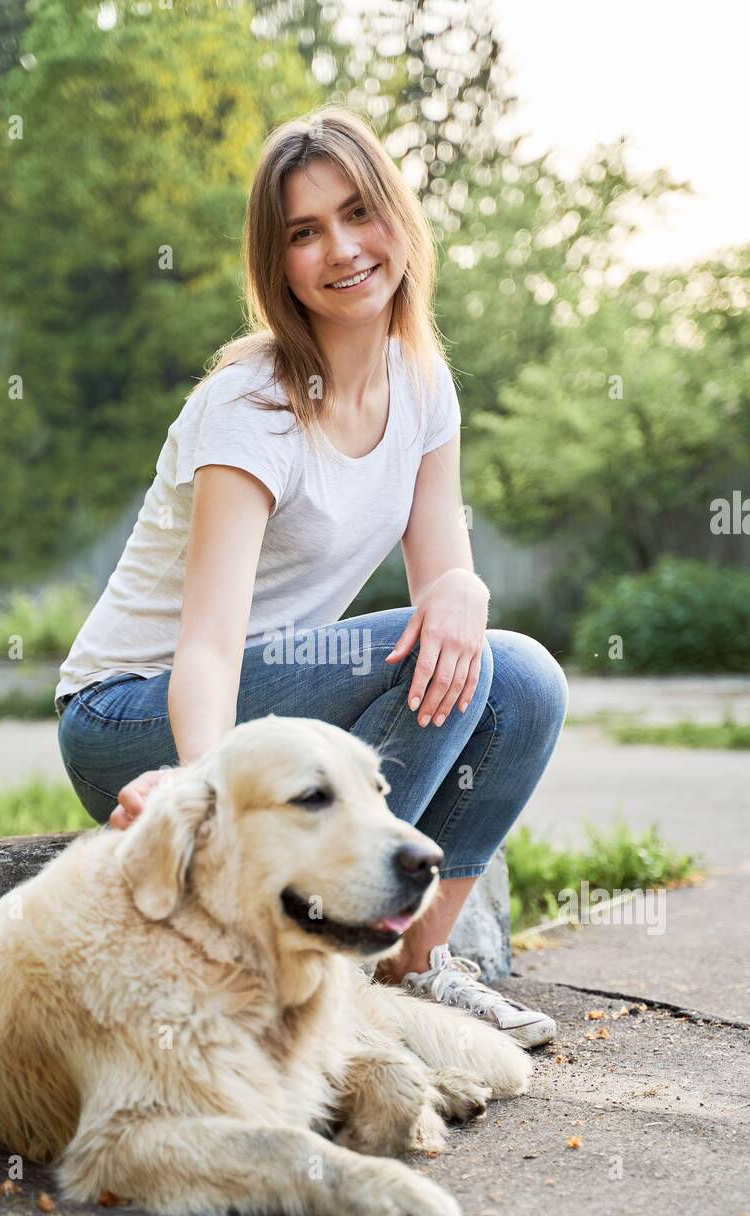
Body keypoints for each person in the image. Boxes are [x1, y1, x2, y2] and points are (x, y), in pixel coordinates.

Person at [55, 104, 568, 1049]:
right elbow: (209, 642)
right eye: (304, 232)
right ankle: (328, 967)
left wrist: (465, 586)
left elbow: (443, 579)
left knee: (524, 676)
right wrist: (200, 790)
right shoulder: (250, 406)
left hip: (282, 700)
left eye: (358, 212)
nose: (341, 248)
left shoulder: (422, 384)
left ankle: (415, 966)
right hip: (132, 716)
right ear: (278, 262)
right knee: (430, 653)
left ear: (398, 220)